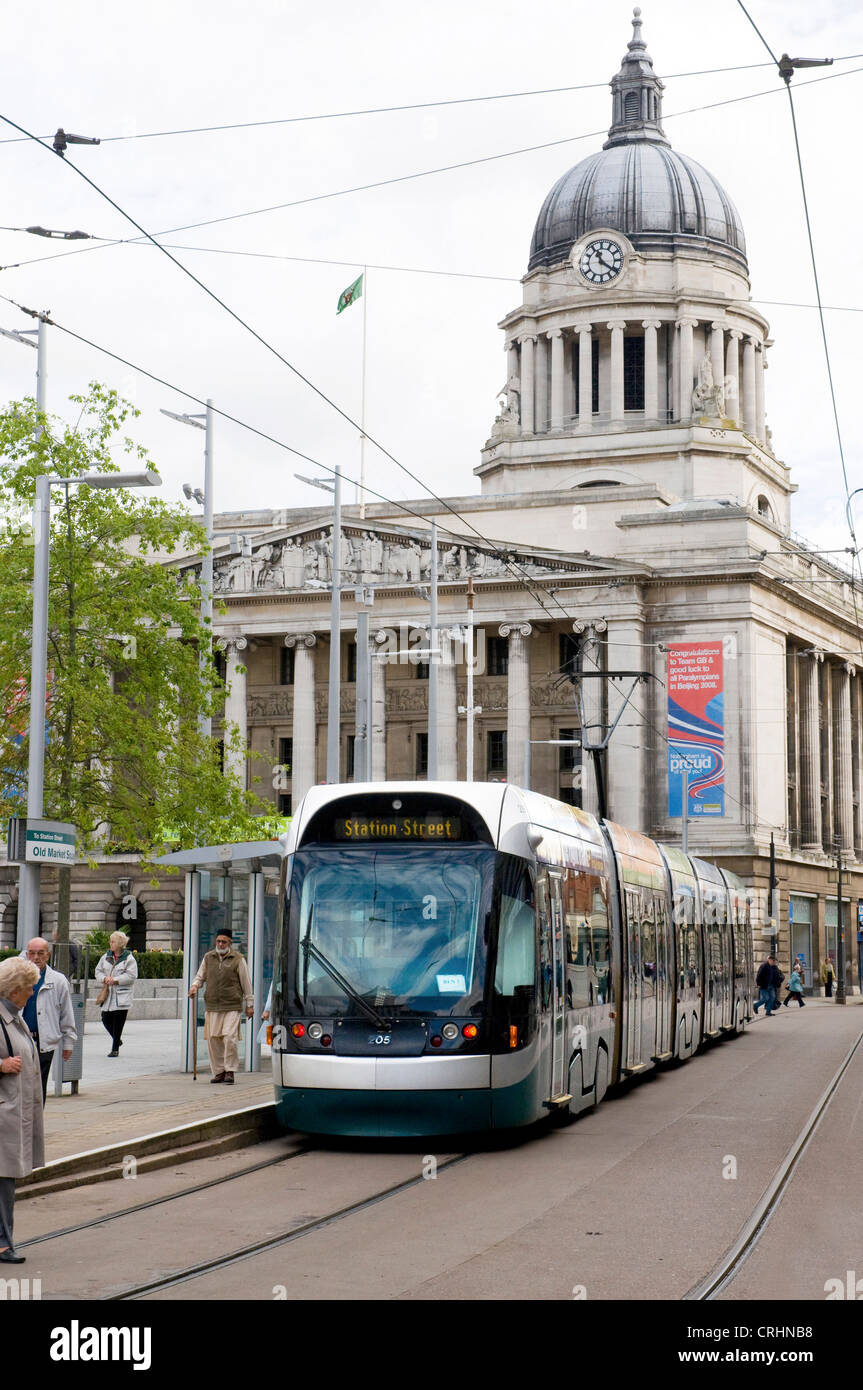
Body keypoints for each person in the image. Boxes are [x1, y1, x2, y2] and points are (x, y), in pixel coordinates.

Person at [0, 958, 44, 1263]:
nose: (32, 992)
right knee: (3, 1180)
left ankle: (3, 1239)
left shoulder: (15, 1016)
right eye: (28, 987)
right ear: (14, 990)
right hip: (4, 1113)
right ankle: (2, 1242)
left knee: (6, 1179)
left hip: (14, 1111)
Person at [188, 930, 254, 1085]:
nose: (220, 944)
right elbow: (200, 976)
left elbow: (246, 983)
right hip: (212, 1005)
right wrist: (194, 987)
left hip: (232, 1005)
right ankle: (219, 1072)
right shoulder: (208, 957)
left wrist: (249, 1004)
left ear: (230, 943)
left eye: (224, 942)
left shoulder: (238, 959)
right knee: (213, 1039)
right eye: (218, 941)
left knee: (229, 1038)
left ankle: (230, 1070)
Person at [21, 938, 77, 1103]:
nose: (36, 957)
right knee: (19, 1085)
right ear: (26, 954)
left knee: (39, 1085)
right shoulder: (17, 977)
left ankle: (36, 1124)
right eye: (31, 953)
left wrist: (68, 1042)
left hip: (43, 1041)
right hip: (20, 1040)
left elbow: (66, 1013)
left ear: (48, 955)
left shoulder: (58, 980)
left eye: (40, 953)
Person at [95, 931, 138, 1057]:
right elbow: (98, 971)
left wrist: (115, 980)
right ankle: (117, 1040)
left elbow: (131, 976)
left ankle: (115, 1049)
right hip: (108, 994)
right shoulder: (106, 956)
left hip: (122, 995)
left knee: (118, 1022)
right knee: (105, 1018)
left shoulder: (129, 958)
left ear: (120, 943)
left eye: (113, 941)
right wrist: (104, 978)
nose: (110, 944)